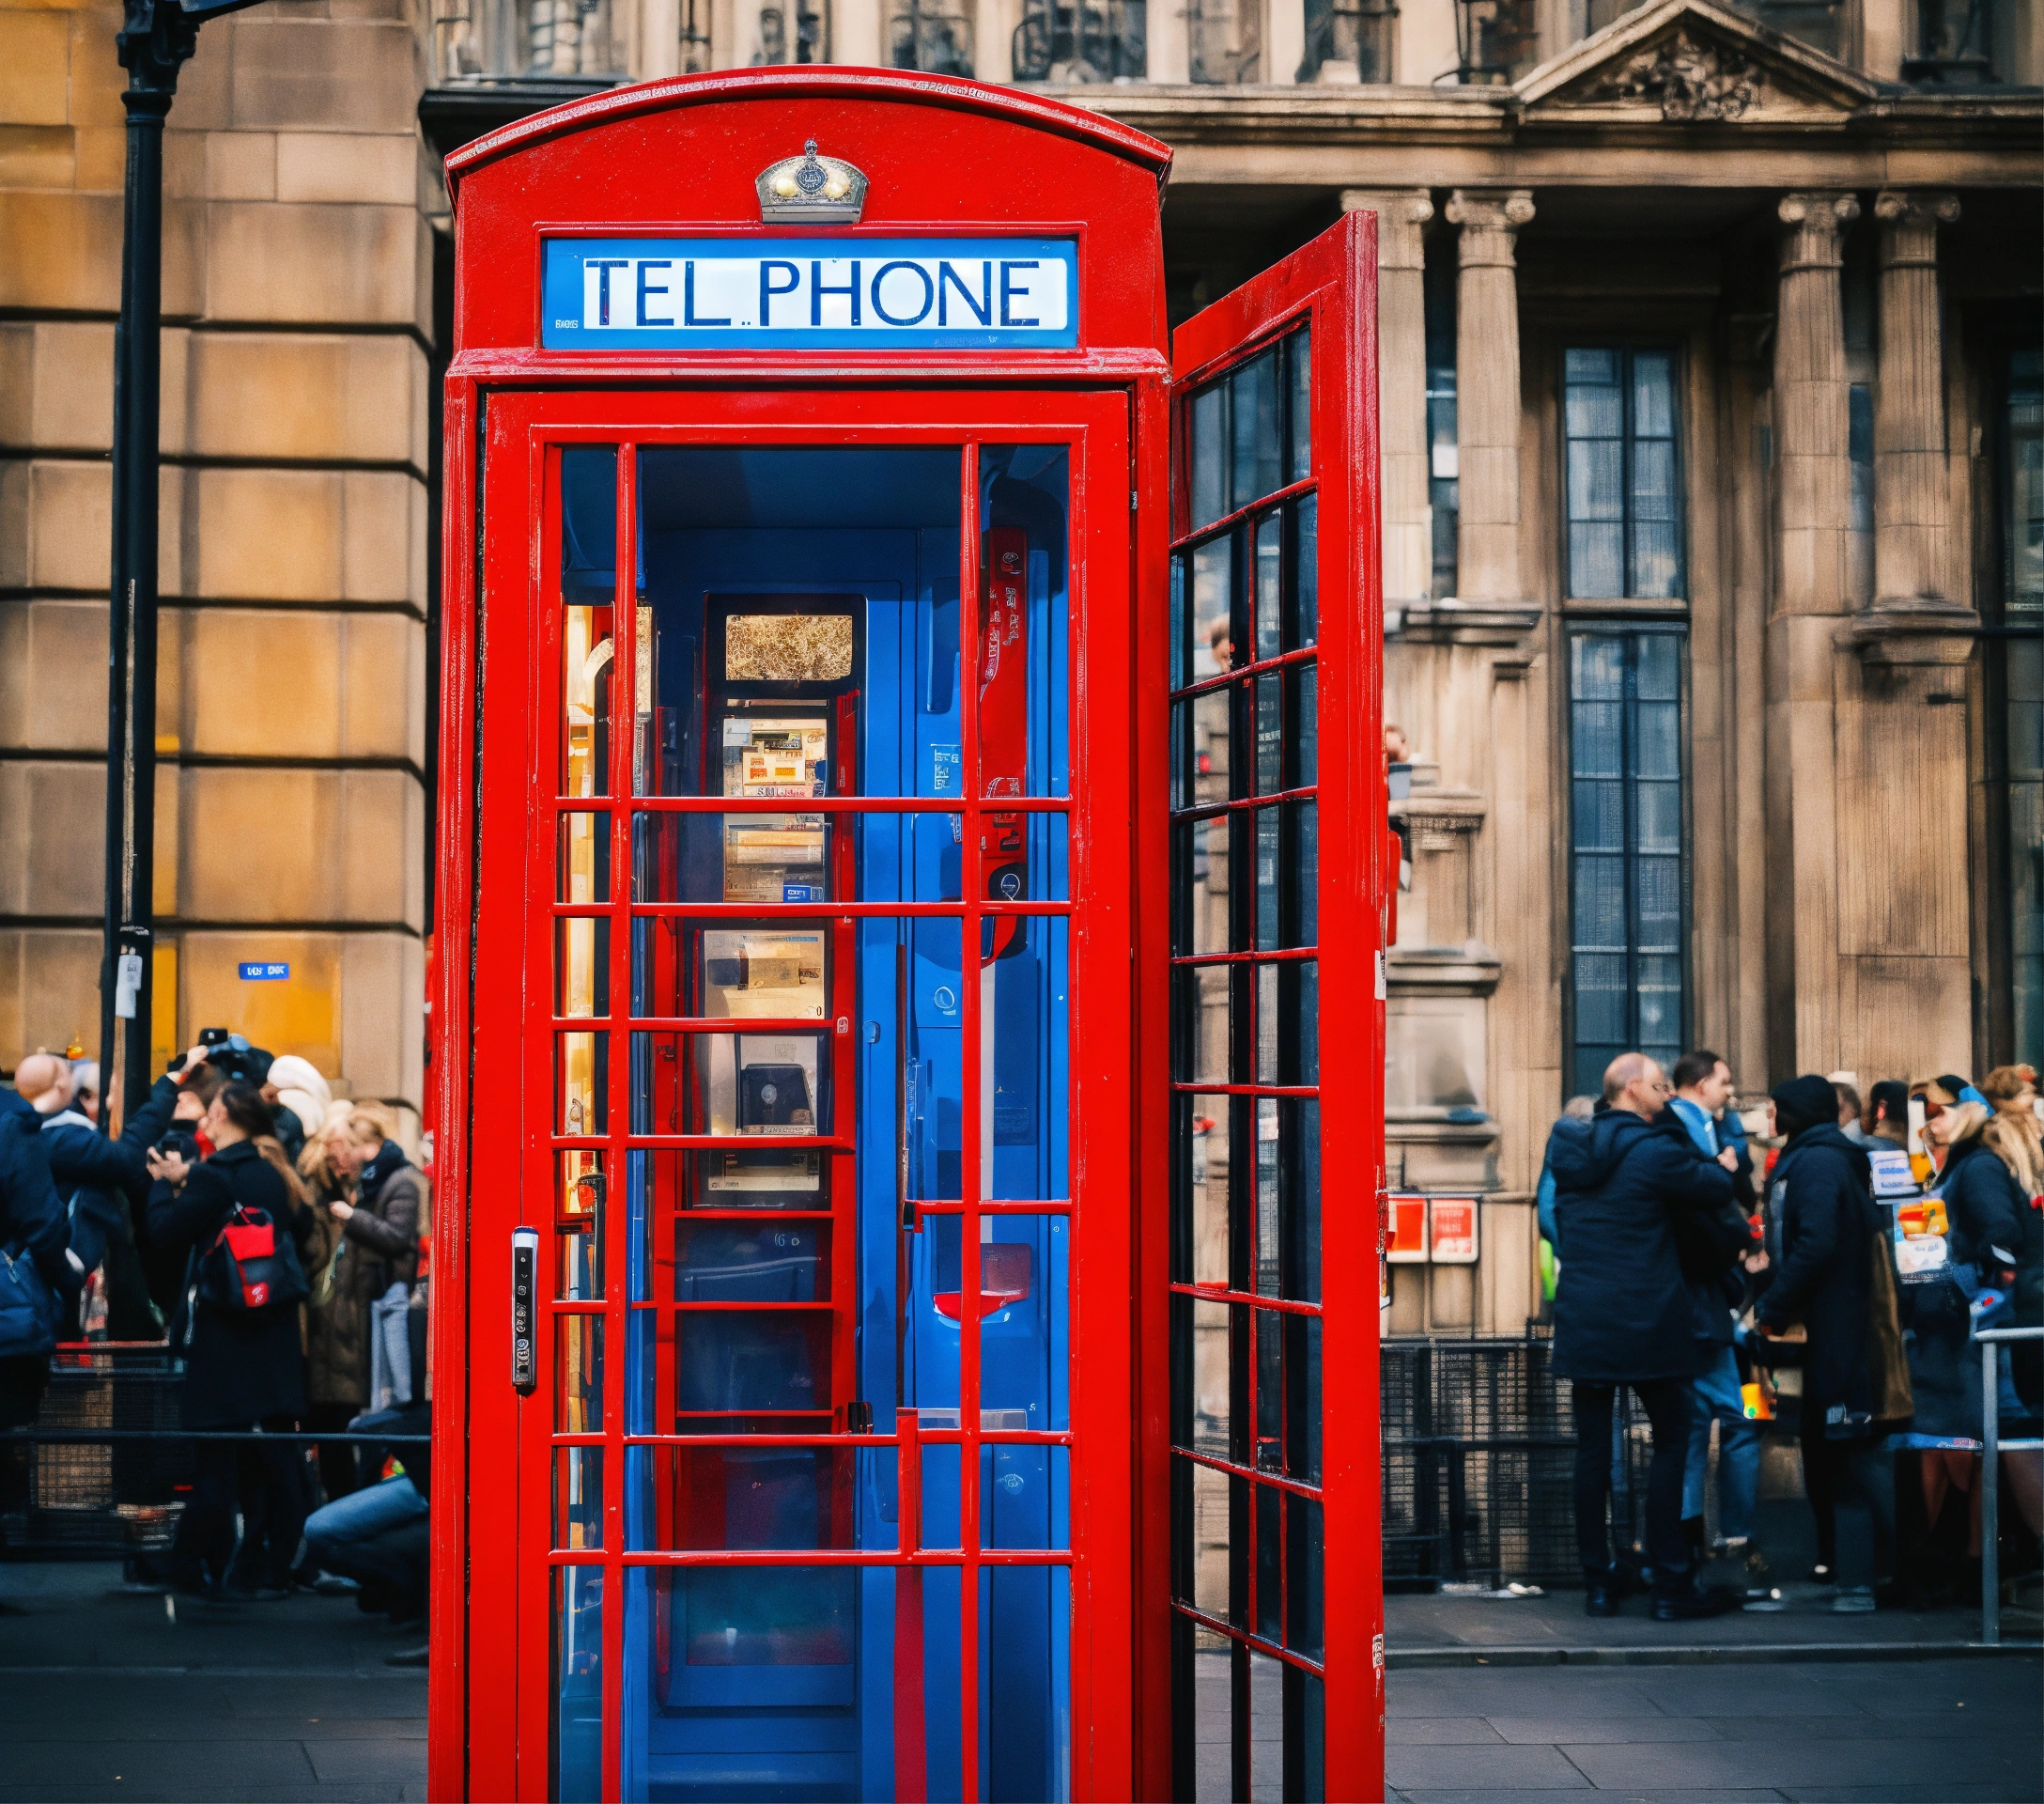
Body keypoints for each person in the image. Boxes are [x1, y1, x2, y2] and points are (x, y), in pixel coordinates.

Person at [1548, 1051, 1739, 1621]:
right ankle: (1670, 1586)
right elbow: (1712, 1186)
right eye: (1660, 1087)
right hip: (1650, 1317)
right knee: (1671, 1446)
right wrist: (1720, 1158)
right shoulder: (1656, 1150)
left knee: (1592, 1453)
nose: (1667, 1096)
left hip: (1586, 1317)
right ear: (1633, 1089)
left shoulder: (1568, 1147)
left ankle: (1598, 1585)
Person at [146, 1080, 316, 1597]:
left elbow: (163, 1232)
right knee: (278, 1460)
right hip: (277, 1334)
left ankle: (188, 1562)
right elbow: (305, 1234)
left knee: (215, 1462)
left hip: (224, 1339)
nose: (203, 1121)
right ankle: (271, 1565)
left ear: (225, 1117)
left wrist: (161, 1184)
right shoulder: (275, 1174)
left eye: (210, 1112)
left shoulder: (216, 1177)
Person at [1754, 1074, 1900, 1611]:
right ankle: (1847, 1568)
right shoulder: (1820, 1157)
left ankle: (1860, 1579)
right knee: (1825, 1449)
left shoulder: (1817, 1163)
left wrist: (1772, 1304)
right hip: (1825, 1329)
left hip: (1835, 1331)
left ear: (1795, 1113)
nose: (1768, 1119)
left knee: (1845, 1455)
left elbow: (1814, 1244)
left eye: (1775, 1110)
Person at [1667, 1050, 1771, 1594]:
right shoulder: (1690, 1133)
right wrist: (1740, 1242)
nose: (1731, 1092)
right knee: (1737, 1421)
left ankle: (1687, 1544)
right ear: (1701, 1082)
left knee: (1688, 1431)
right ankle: (1735, 1538)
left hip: (1689, 1306)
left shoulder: (1701, 1128)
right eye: (1725, 1082)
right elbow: (1709, 1215)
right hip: (1704, 1305)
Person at [15, 1051, 173, 1340]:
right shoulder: (62, 1139)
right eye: (108, 1094)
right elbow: (125, 1160)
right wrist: (167, 1089)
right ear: (66, 1088)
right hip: (72, 1283)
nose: (112, 1104)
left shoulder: (26, 1131)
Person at [328, 1106, 425, 1412]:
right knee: (380, 1389)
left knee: (397, 1390)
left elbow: (396, 1237)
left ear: (363, 1145)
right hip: (375, 1290)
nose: (347, 1158)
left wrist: (352, 1216)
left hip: (394, 1291)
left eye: (350, 1148)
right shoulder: (375, 1179)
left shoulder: (401, 1181)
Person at [301, 1106, 364, 1502]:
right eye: (347, 1146)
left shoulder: (336, 1190)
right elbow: (318, 1262)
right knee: (334, 1430)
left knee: (335, 1430)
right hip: (329, 1327)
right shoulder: (320, 1200)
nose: (351, 1156)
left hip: (335, 1330)